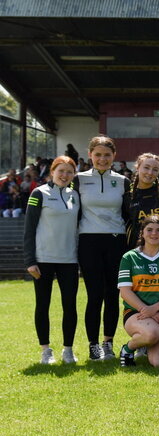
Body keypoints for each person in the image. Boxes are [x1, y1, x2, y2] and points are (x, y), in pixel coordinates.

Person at [76, 135, 129, 361]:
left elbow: (127, 214)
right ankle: (93, 345)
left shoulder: (123, 181)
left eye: (107, 155)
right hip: (88, 242)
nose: (102, 159)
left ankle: (108, 343)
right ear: (90, 155)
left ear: (114, 156)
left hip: (116, 242)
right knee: (94, 295)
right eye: (97, 154)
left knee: (112, 294)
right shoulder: (78, 179)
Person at [25, 156, 80, 365]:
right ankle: (45, 351)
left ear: (73, 174)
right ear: (52, 172)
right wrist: (30, 260)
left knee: (70, 305)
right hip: (43, 259)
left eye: (69, 172)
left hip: (69, 259)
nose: (65, 175)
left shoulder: (75, 195)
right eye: (61, 171)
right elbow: (29, 229)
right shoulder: (39, 193)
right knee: (43, 305)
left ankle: (68, 350)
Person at [117, 215, 159, 369]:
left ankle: (147, 344)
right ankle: (128, 349)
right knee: (152, 333)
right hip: (136, 313)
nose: (154, 233)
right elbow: (125, 292)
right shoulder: (129, 257)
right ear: (142, 233)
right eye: (149, 230)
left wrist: (155, 309)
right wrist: (148, 311)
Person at [122, 153, 159, 252]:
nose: (150, 172)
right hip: (136, 250)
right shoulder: (128, 196)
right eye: (146, 167)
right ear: (137, 167)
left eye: (155, 169)